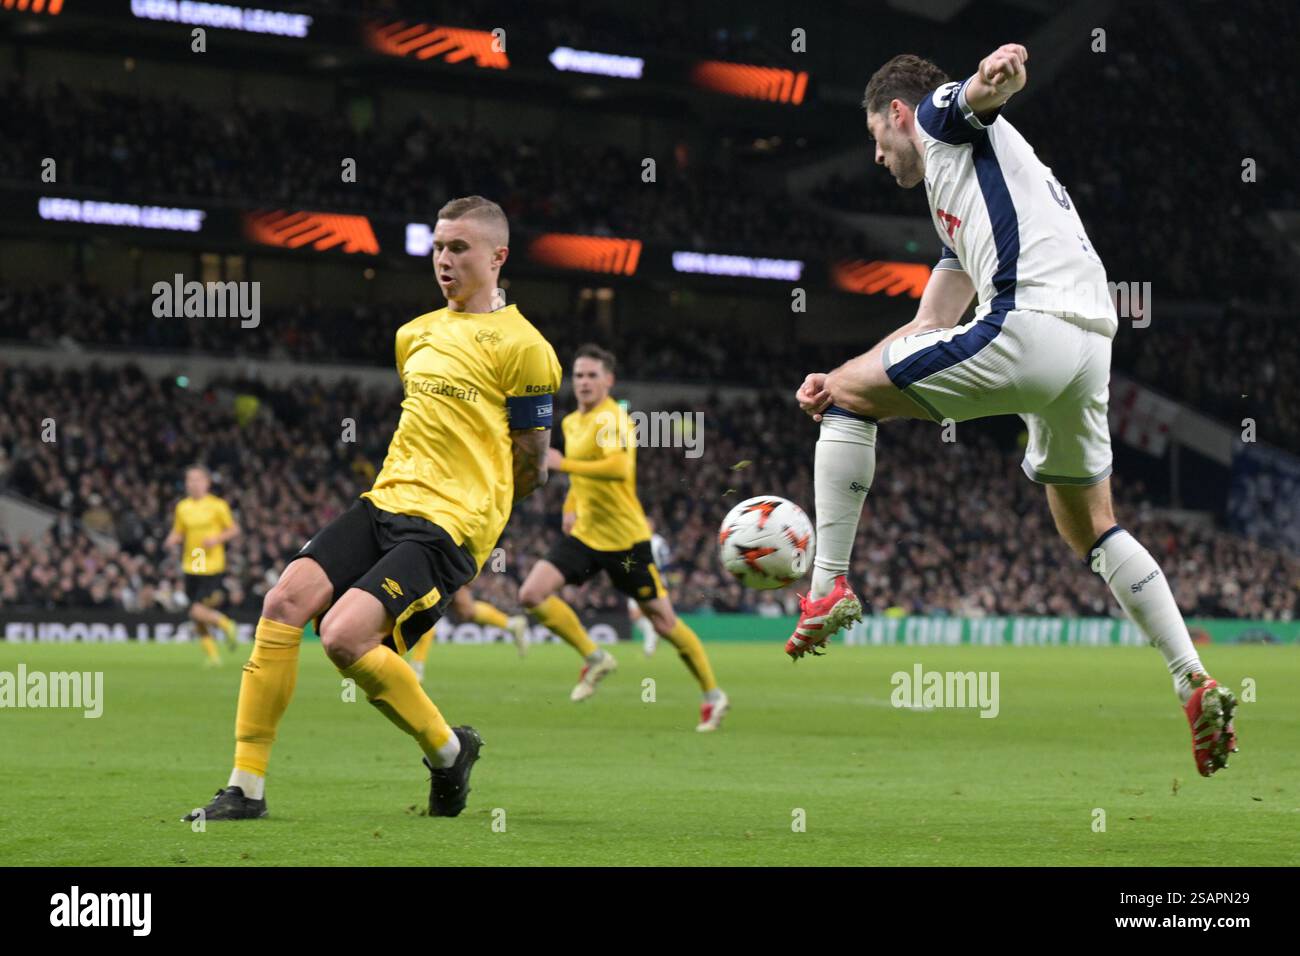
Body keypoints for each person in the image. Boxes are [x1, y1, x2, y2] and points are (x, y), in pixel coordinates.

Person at [791, 45, 1237, 776]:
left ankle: (827, 584)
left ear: (898, 115)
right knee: (1090, 525)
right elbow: (927, 326)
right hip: (1089, 344)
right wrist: (843, 373)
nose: (877, 156)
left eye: (876, 138)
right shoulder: (959, 203)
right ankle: (1193, 679)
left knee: (848, 403)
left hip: (1027, 324)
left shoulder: (936, 122)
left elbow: (971, 96)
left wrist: (999, 75)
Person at [183, 195, 562, 821]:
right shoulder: (413, 335)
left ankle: (445, 751)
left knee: (342, 636)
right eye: (438, 246)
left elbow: (533, 463)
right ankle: (245, 787)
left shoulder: (525, 347)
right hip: (385, 501)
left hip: (448, 527)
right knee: (282, 602)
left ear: (498, 256)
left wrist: (480, 517)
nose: (443, 258)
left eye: (459, 247)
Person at [518, 345, 729, 732]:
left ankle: (713, 695)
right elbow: (583, 478)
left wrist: (564, 465)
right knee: (531, 594)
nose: (583, 382)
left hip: (627, 542)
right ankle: (594, 656)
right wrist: (570, 501)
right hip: (586, 535)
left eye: (591, 375)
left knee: (664, 623)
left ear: (608, 380)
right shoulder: (570, 423)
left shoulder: (614, 419)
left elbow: (617, 468)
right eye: (578, 375)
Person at [163, 465, 240, 665]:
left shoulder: (217, 505)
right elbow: (178, 531)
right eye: (190, 480)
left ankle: (227, 624)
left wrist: (217, 539)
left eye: (197, 479)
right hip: (192, 563)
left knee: (196, 610)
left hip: (211, 565)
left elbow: (233, 530)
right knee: (196, 616)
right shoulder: (183, 507)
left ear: (207, 482)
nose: (193, 484)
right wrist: (171, 539)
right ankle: (213, 657)